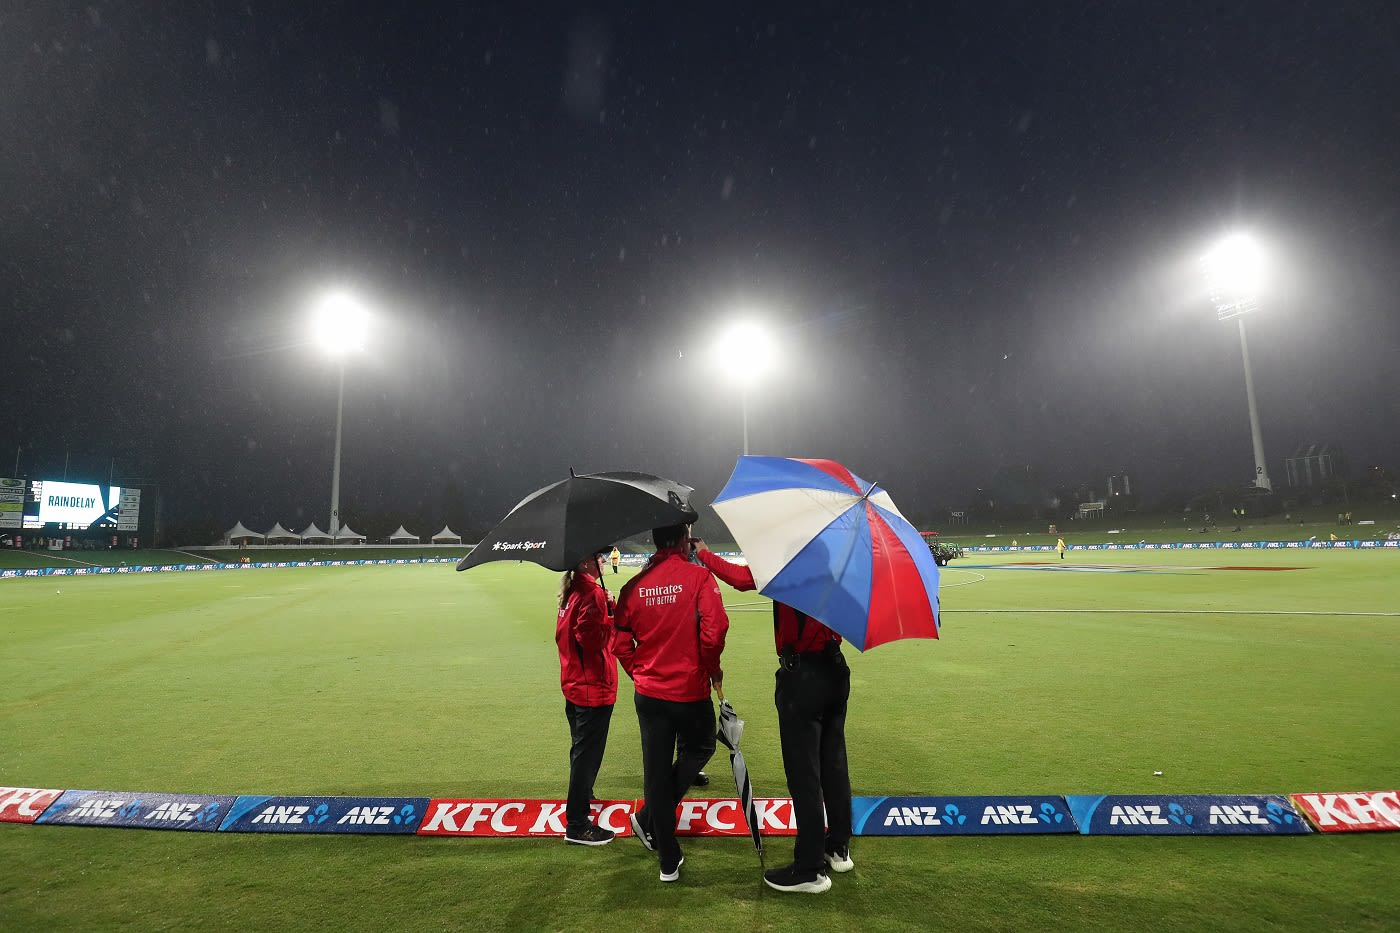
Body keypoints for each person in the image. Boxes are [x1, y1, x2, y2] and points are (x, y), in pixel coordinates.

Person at [692, 540, 851, 895]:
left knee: (804, 772)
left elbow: (742, 578)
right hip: (836, 669)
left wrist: (703, 554)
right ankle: (838, 847)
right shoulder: (835, 565)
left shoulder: (791, 567)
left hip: (803, 677)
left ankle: (809, 869)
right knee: (834, 763)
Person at [612, 523, 728, 883]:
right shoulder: (699, 578)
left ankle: (666, 858)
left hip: (650, 695)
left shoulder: (632, 587)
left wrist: (644, 674)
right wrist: (711, 670)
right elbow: (715, 630)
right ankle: (649, 821)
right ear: (683, 539)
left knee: (656, 772)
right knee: (703, 746)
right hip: (690, 692)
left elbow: (619, 645)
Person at [556, 549, 619, 846]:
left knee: (581, 750)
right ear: (585, 563)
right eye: (599, 558)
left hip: (575, 684)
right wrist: (611, 618)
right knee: (587, 754)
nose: (604, 561)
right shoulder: (590, 593)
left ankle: (584, 793)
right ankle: (578, 824)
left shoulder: (572, 592)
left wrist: (604, 610)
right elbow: (593, 642)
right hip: (592, 686)